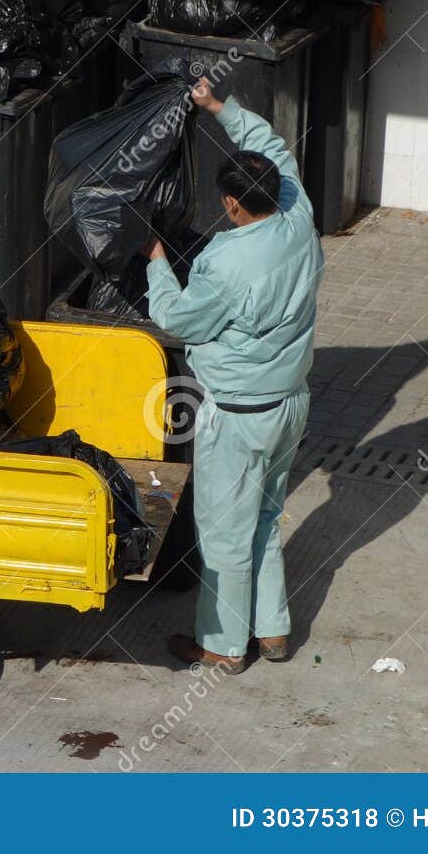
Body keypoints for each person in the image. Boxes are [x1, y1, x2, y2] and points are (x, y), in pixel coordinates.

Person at [144, 76, 323, 671]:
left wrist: (157, 265)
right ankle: (272, 632)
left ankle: (222, 647)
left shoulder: (224, 262)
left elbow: (179, 320)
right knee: (265, 517)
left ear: (230, 204)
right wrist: (219, 107)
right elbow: (272, 147)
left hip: (239, 416)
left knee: (224, 533)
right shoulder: (298, 214)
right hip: (290, 405)